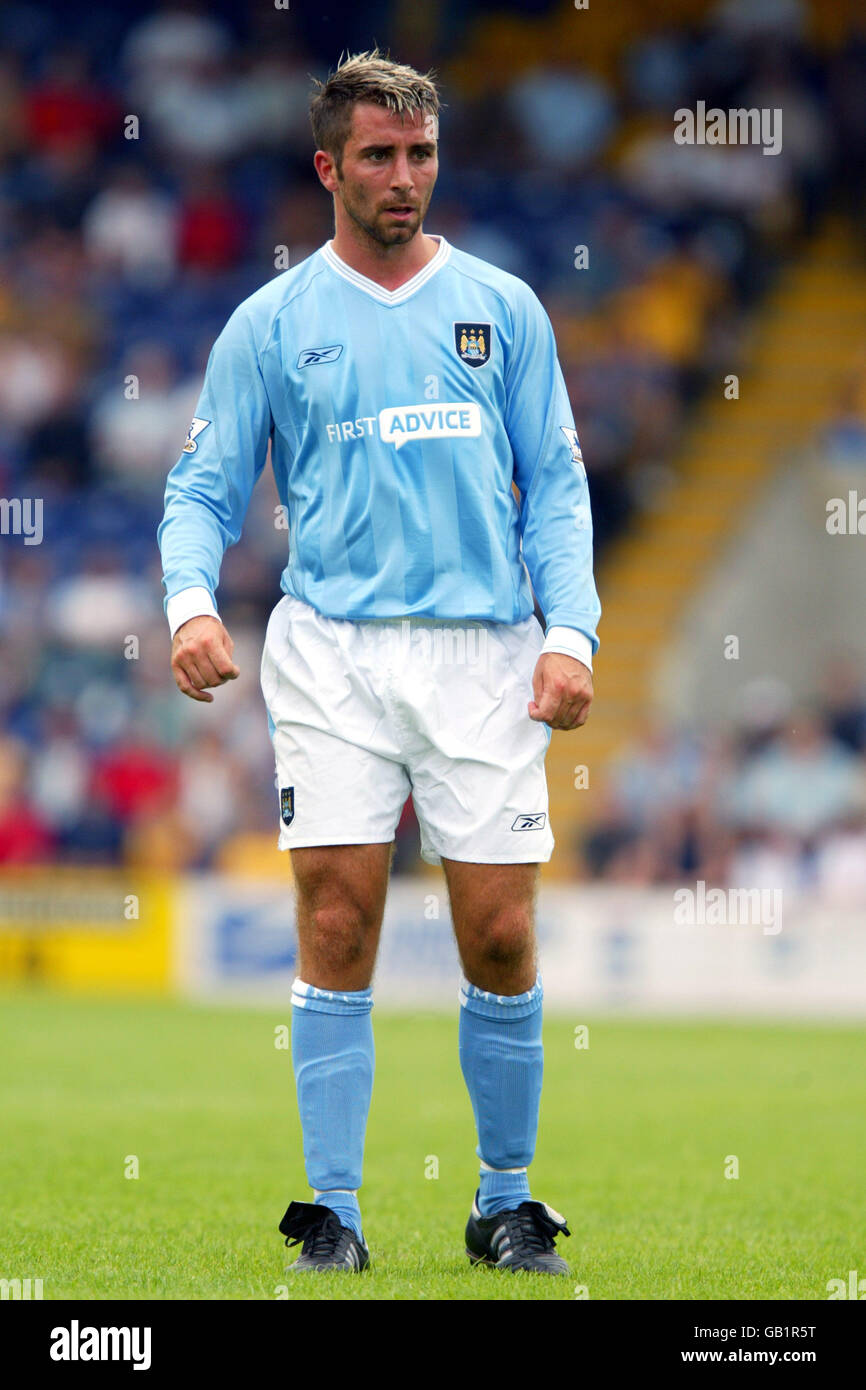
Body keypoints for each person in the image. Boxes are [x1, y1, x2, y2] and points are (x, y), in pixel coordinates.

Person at [158, 49, 601, 1278]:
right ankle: (333, 1210)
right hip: (332, 653)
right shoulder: (272, 322)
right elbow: (200, 485)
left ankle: (505, 1201)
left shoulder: (502, 306)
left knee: (500, 933)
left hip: (483, 652)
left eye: (419, 154)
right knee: (337, 914)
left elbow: (555, 486)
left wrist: (571, 632)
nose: (403, 177)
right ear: (328, 168)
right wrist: (191, 603)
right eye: (377, 156)